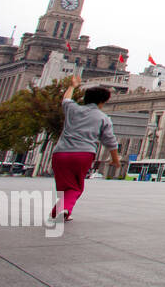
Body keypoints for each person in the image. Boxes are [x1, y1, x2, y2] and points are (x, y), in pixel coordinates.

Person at [49, 75, 120, 221]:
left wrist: (73, 86)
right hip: (83, 155)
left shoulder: (72, 109)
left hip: (60, 153)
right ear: (102, 102)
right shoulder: (103, 118)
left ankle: (61, 210)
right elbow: (110, 142)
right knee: (75, 187)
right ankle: (64, 209)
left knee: (64, 185)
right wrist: (115, 160)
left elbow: (66, 99)